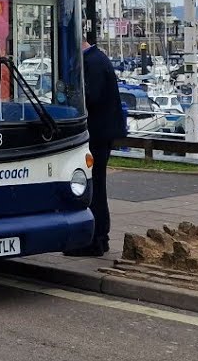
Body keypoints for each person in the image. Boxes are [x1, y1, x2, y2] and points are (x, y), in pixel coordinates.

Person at [67, 37, 127, 256]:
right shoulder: (98, 59)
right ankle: (100, 237)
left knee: (94, 187)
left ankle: (95, 240)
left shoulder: (91, 63)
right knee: (97, 186)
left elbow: (89, 97)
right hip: (104, 132)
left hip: (97, 134)